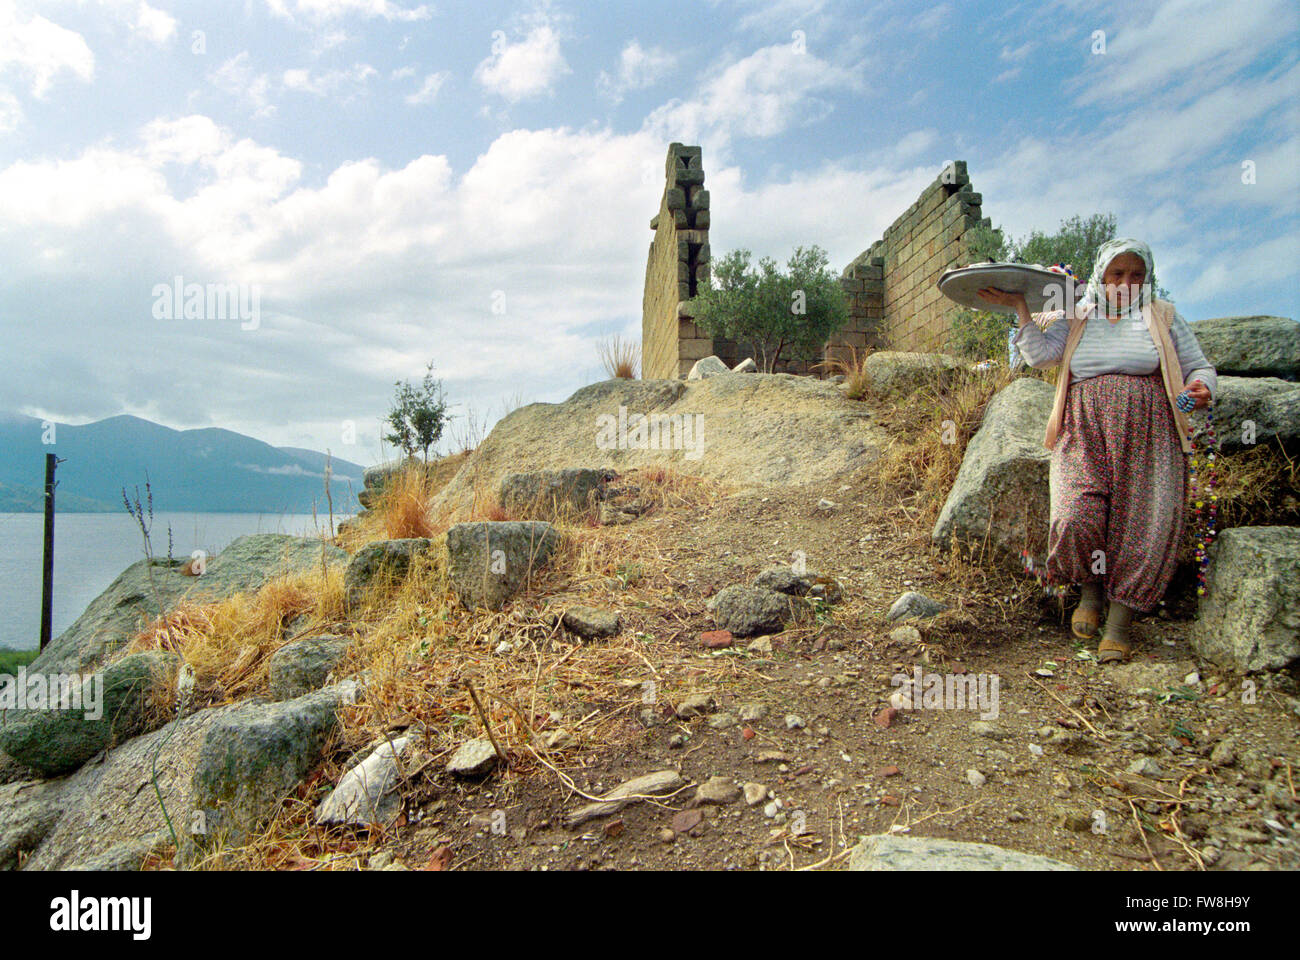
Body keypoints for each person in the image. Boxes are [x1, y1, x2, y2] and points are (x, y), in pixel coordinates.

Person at [977, 238, 1216, 662]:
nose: (1126, 282)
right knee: (1075, 513)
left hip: (1150, 432)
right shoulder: (1080, 314)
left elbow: (1199, 367)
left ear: (1147, 278)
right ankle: (1089, 593)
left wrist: (1201, 388)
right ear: (1102, 274)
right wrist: (1020, 308)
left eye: (1136, 274)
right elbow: (1042, 358)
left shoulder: (1162, 316)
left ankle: (1119, 623)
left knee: (1145, 522)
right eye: (1117, 273)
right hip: (1083, 427)